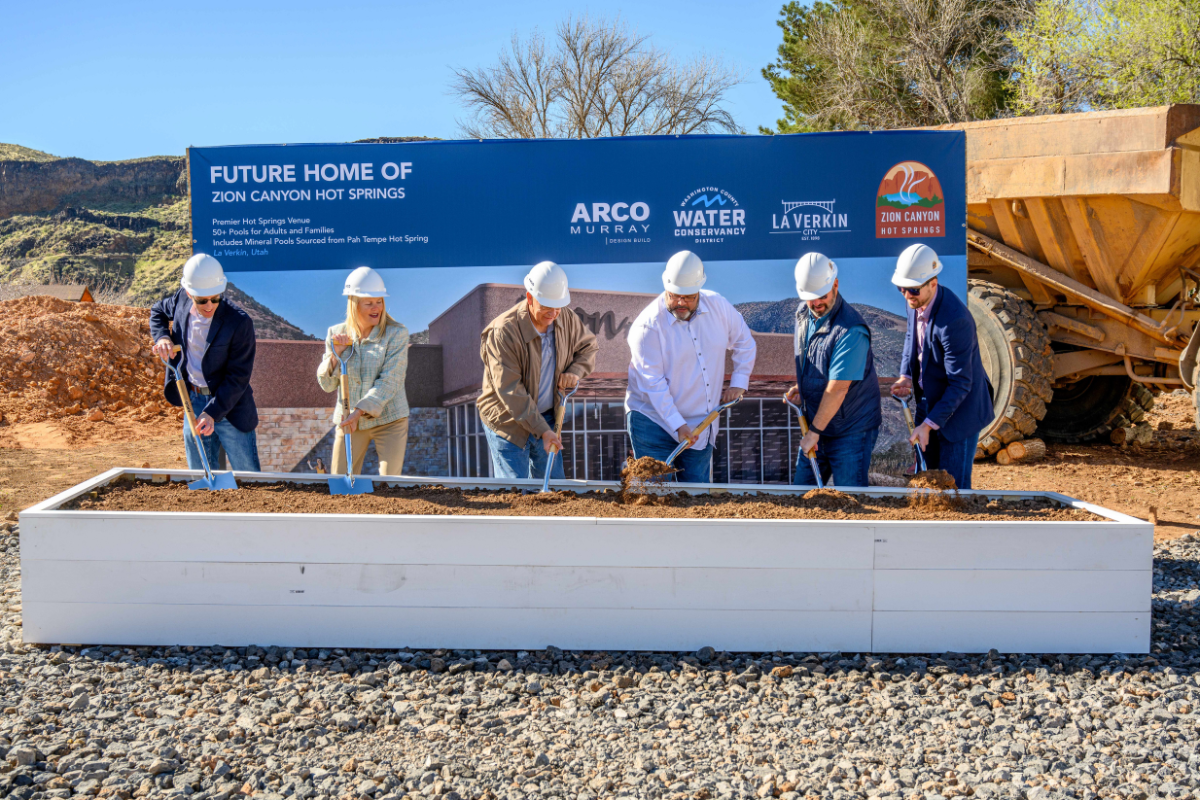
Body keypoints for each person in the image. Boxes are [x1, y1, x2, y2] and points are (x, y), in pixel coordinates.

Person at [625, 251, 757, 483]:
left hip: (701, 423)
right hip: (652, 421)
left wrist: (739, 382)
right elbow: (653, 384)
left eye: (688, 297)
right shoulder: (647, 328)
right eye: (675, 296)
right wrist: (678, 425)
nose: (681, 303)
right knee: (653, 492)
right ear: (666, 288)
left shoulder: (719, 307)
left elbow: (744, 343)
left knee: (695, 493)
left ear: (699, 291)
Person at [478, 261, 598, 479]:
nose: (553, 313)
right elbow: (510, 389)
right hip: (507, 421)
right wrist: (543, 431)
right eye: (547, 306)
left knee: (554, 487)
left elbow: (589, 347)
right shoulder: (503, 332)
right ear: (530, 297)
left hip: (547, 417)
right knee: (515, 490)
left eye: (558, 306)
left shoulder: (566, 318)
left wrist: (575, 370)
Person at [890, 243, 993, 489]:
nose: (907, 295)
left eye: (913, 289)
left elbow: (960, 383)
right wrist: (905, 375)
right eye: (901, 288)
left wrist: (927, 425)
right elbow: (911, 338)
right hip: (930, 401)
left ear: (933, 283)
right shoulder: (915, 301)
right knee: (927, 481)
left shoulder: (955, 321)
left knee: (953, 488)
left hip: (960, 412)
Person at [150, 253, 261, 471]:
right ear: (189, 293)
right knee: (202, 475)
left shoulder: (239, 322)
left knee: (250, 478)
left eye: (215, 298)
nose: (209, 305)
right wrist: (162, 337)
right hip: (194, 399)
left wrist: (212, 413)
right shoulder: (180, 301)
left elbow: (238, 377)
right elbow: (157, 311)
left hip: (230, 405)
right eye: (202, 300)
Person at [786, 253, 883, 488]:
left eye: (822, 295)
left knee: (849, 500)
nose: (816, 303)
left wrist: (813, 432)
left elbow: (838, 388)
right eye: (810, 297)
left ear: (835, 285)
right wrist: (806, 386)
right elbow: (815, 359)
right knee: (800, 497)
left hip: (850, 431)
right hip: (819, 424)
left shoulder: (851, 330)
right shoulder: (803, 314)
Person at [317, 266, 411, 476]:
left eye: (379, 301)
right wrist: (335, 355)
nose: (376, 307)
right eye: (369, 303)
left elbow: (390, 380)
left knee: (390, 484)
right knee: (341, 480)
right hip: (349, 421)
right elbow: (327, 385)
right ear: (354, 304)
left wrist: (359, 411)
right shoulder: (336, 333)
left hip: (390, 420)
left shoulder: (396, 333)